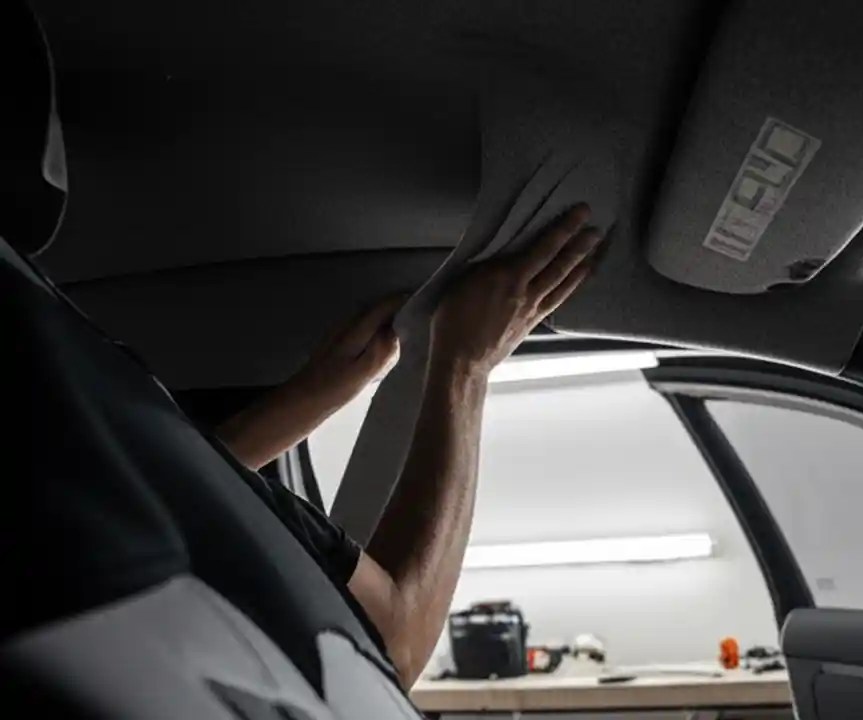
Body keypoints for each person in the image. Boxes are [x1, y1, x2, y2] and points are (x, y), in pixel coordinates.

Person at [213, 203, 602, 687]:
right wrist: (465, 368)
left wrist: (307, 396)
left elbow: (169, 486)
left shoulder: (95, 438)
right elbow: (387, 654)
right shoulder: (97, 401)